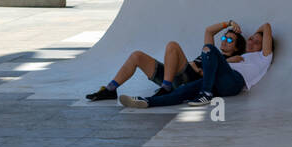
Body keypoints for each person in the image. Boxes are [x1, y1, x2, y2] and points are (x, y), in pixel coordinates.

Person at [117, 20, 274, 109]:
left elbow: (266, 26)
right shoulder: (241, 56)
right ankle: (146, 101)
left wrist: (257, 34)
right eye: (251, 38)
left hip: (234, 81)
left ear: (265, 46)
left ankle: (205, 94)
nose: (252, 41)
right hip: (218, 82)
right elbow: (209, 33)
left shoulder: (263, 57)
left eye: (257, 41)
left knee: (209, 49)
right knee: (182, 92)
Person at [86, 19, 251, 102]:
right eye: (224, 37)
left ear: (236, 48)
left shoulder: (233, 58)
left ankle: (166, 88)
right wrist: (228, 23)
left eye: (229, 40)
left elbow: (228, 69)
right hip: (175, 75)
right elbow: (209, 31)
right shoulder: (211, 49)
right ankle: (110, 89)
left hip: (190, 78)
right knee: (137, 56)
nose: (223, 41)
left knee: (173, 45)